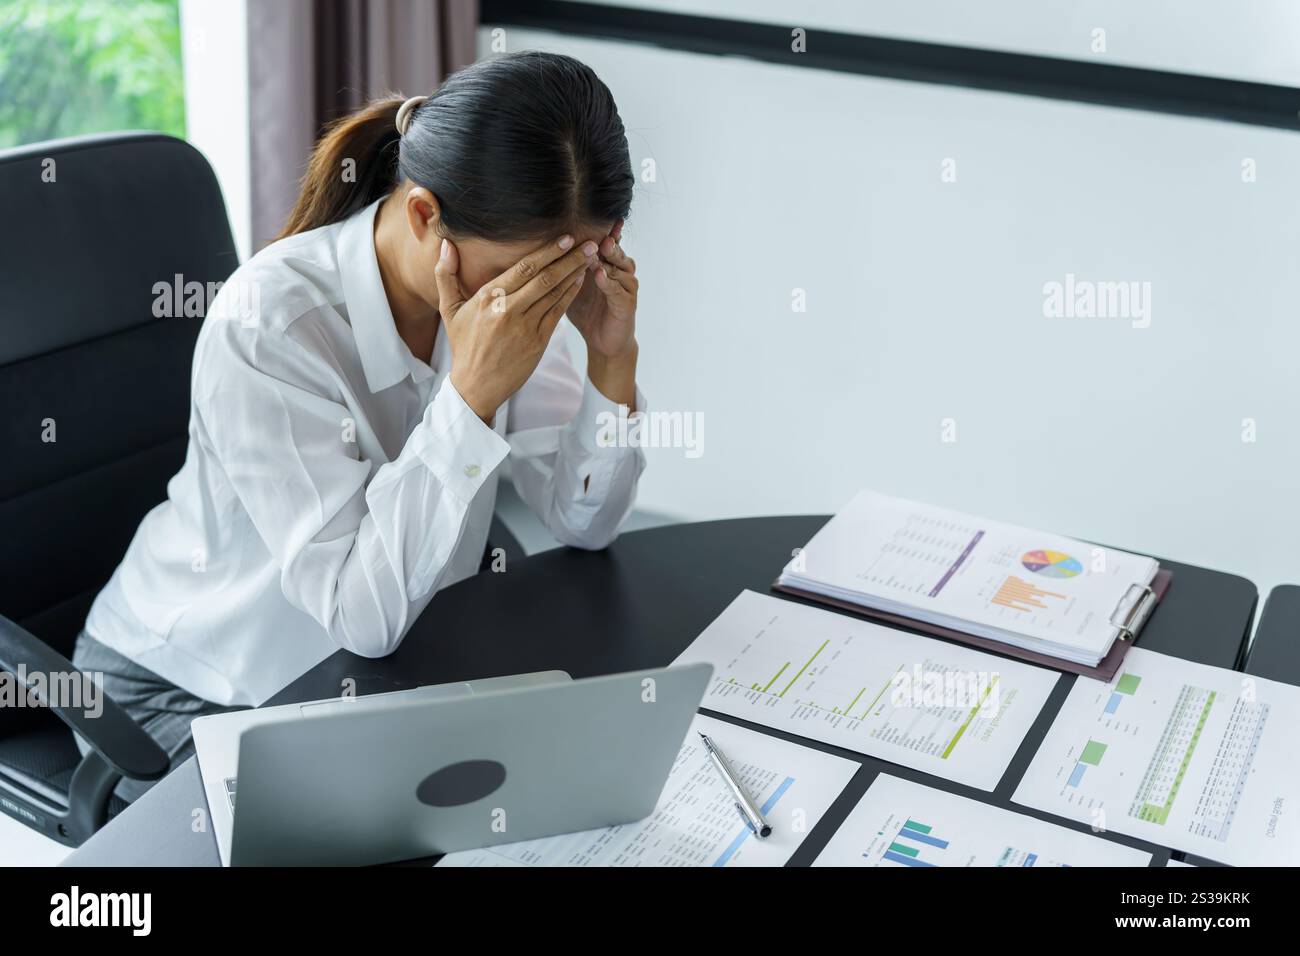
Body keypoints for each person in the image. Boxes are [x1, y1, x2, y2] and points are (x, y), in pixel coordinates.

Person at [73, 51, 645, 796]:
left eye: (563, 276)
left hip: (372, 673)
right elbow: (360, 612)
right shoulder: (270, 325)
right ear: (424, 216)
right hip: (192, 681)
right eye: (521, 281)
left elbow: (582, 521)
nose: (536, 306)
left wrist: (611, 359)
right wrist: (469, 397)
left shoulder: (502, 290)